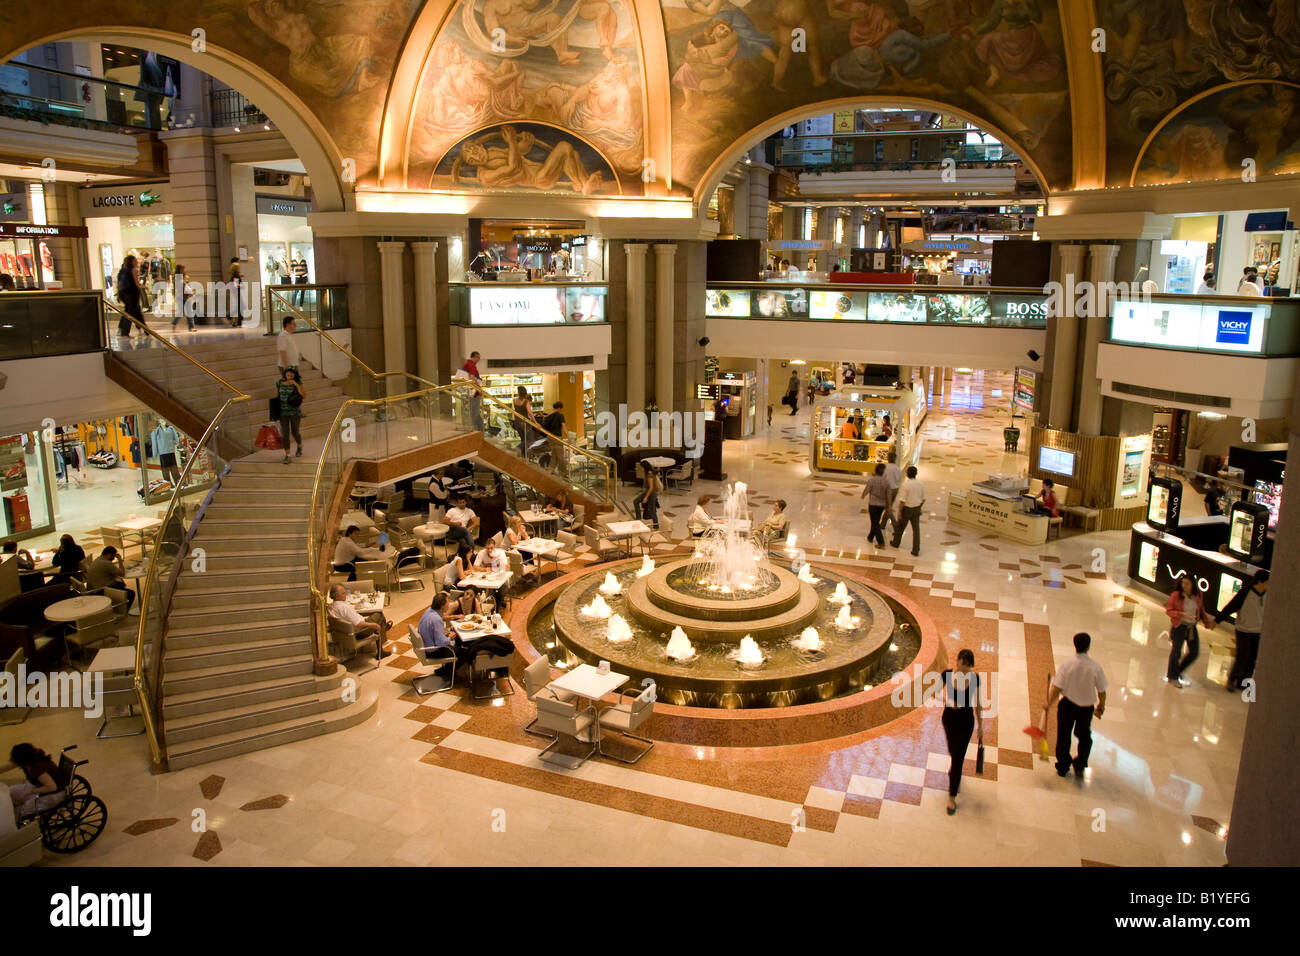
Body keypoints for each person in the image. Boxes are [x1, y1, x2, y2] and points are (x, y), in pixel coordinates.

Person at [1045, 633, 1108, 778]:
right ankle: (1080, 763)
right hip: (1086, 708)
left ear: (1075, 645)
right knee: (1085, 735)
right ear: (1088, 646)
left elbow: (1057, 687)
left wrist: (1049, 703)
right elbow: (1102, 690)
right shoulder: (1095, 667)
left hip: (1067, 705)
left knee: (1063, 735)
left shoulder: (1067, 665)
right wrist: (1101, 705)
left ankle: (1062, 765)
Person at [940, 648, 984, 814]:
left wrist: (980, 726)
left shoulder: (975, 679)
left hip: (966, 721)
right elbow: (932, 692)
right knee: (953, 750)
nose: (965, 668)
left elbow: (978, 704)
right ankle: (954, 768)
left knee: (958, 757)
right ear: (957, 661)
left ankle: (951, 797)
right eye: (963, 664)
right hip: (949, 718)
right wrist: (948, 700)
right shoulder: (947, 675)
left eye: (968, 665)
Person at [1215, 571, 1268, 692]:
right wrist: (1217, 620)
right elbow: (1231, 607)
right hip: (1243, 630)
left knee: (1252, 658)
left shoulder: (1268, 594)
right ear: (1260, 582)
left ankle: (1243, 682)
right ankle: (1232, 679)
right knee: (1242, 656)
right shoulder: (1245, 592)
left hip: (1258, 632)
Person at [1164, 576, 1213, 687]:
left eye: (1187, 584)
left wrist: (1206, 622)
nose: (1184, 586)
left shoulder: (1198, 595)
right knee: (1176, 652)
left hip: (1191, 627)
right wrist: (1181, 614)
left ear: (1192, 585)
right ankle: (1172, 677)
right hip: (1179, 626)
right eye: (1183, 583)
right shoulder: (1176, 595)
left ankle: (1178, 671)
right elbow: (1168, 610)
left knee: (1194, 652)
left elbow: (1201, 609)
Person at [1, 743, 67, 818]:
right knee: (10, 791)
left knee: (18, 812)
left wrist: (28, 793)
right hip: (39, 787)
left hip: (53, 795)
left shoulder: (37, 768)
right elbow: (10, 765)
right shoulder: (30, 759)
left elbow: (52, 787)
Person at [327, 584, 389, 657]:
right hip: (359, 632)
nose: (345, 595)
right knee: (379, 615)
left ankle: (383, 627)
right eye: (343, 593)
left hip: (345, 632)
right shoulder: (343, 608)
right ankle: (383, 630)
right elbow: (359, 624)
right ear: (335, 595)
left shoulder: (331, 606)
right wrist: (374, 625)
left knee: (378, 620)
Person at [890, 465, 926, 556]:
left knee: (900, 527)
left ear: (907, 474)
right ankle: (916, 549)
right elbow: (923, 499)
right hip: (916, 509)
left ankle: (896, 543)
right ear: (916, 474)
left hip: (907, 509)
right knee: (916, 530)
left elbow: (902, 500)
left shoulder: (906, 485)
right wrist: (919, 507)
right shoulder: (921, 484)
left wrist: (899, 512)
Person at [85, 546, 134, 611]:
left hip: (92, 589)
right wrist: (120, 560)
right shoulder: (106, 563)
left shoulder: (98, 559)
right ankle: (122, 611)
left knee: (120, 583)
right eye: (113, 556)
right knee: (131, 593)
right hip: (100, 591)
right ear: (109, 554)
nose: (114, 559)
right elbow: (122, 573)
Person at [277, 367, 305, 464]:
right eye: (288, 375)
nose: (289, 377)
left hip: (294, 412)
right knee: (285, 433)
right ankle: (288, 455)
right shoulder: (279, 383)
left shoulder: (298, 383)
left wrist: (296, 385)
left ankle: (299, 445)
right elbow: (277, 396)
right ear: (284, 375)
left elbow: (303, 396)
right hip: (283, 412)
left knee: (295, 432)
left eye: (292, 376)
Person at [860, 463, 891, 548]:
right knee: (875, 521)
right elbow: (889, 494)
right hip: (882, 505)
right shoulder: (887, 481)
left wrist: (863, 495)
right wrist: (889, 506)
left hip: (873, 504)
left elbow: (867, 489)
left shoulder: (872, 480)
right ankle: (870, 537)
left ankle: (881, 542)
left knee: (875, 522)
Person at [115, 254, 144, 341]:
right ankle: (125, 331)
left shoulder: (122, 270)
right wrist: (142, 286)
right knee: (130, 312)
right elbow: (136, 283)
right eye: (135, 260)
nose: (136, 262)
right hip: (132, 293)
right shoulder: (133, 270)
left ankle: (140, 329)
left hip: (124, 293)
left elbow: (119, 283)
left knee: (131, 310)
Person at [151, 419, 181, 486]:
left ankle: (178, 483)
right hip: (163, 453)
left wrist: (170, 443)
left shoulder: (171, 429)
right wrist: (155, 453)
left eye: (163, 419)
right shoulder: (156, 431)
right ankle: (168, 484)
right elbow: (154, 443)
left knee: (174, 469)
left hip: (171, 452)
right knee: (165, 471)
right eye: (161, 420)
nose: (163, 421)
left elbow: (176, 440)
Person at [882, 450, 903, 537]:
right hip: (895, 489)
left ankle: (897, 527)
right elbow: (899, 480)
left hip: (888, 490)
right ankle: (882, 524)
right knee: (888, 507)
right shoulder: (898, 468)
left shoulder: (886, 468)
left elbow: (883, 480)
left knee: (888, 508)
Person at [512, 385, 535, 454]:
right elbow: (530, 413)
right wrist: (536, 422)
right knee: (530, 439)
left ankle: (523, 454)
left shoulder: (515, 401)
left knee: (523, 439)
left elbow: (515, 411)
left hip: (517, 422)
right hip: (525, 422)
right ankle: (518, 448)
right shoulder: (526, 401)